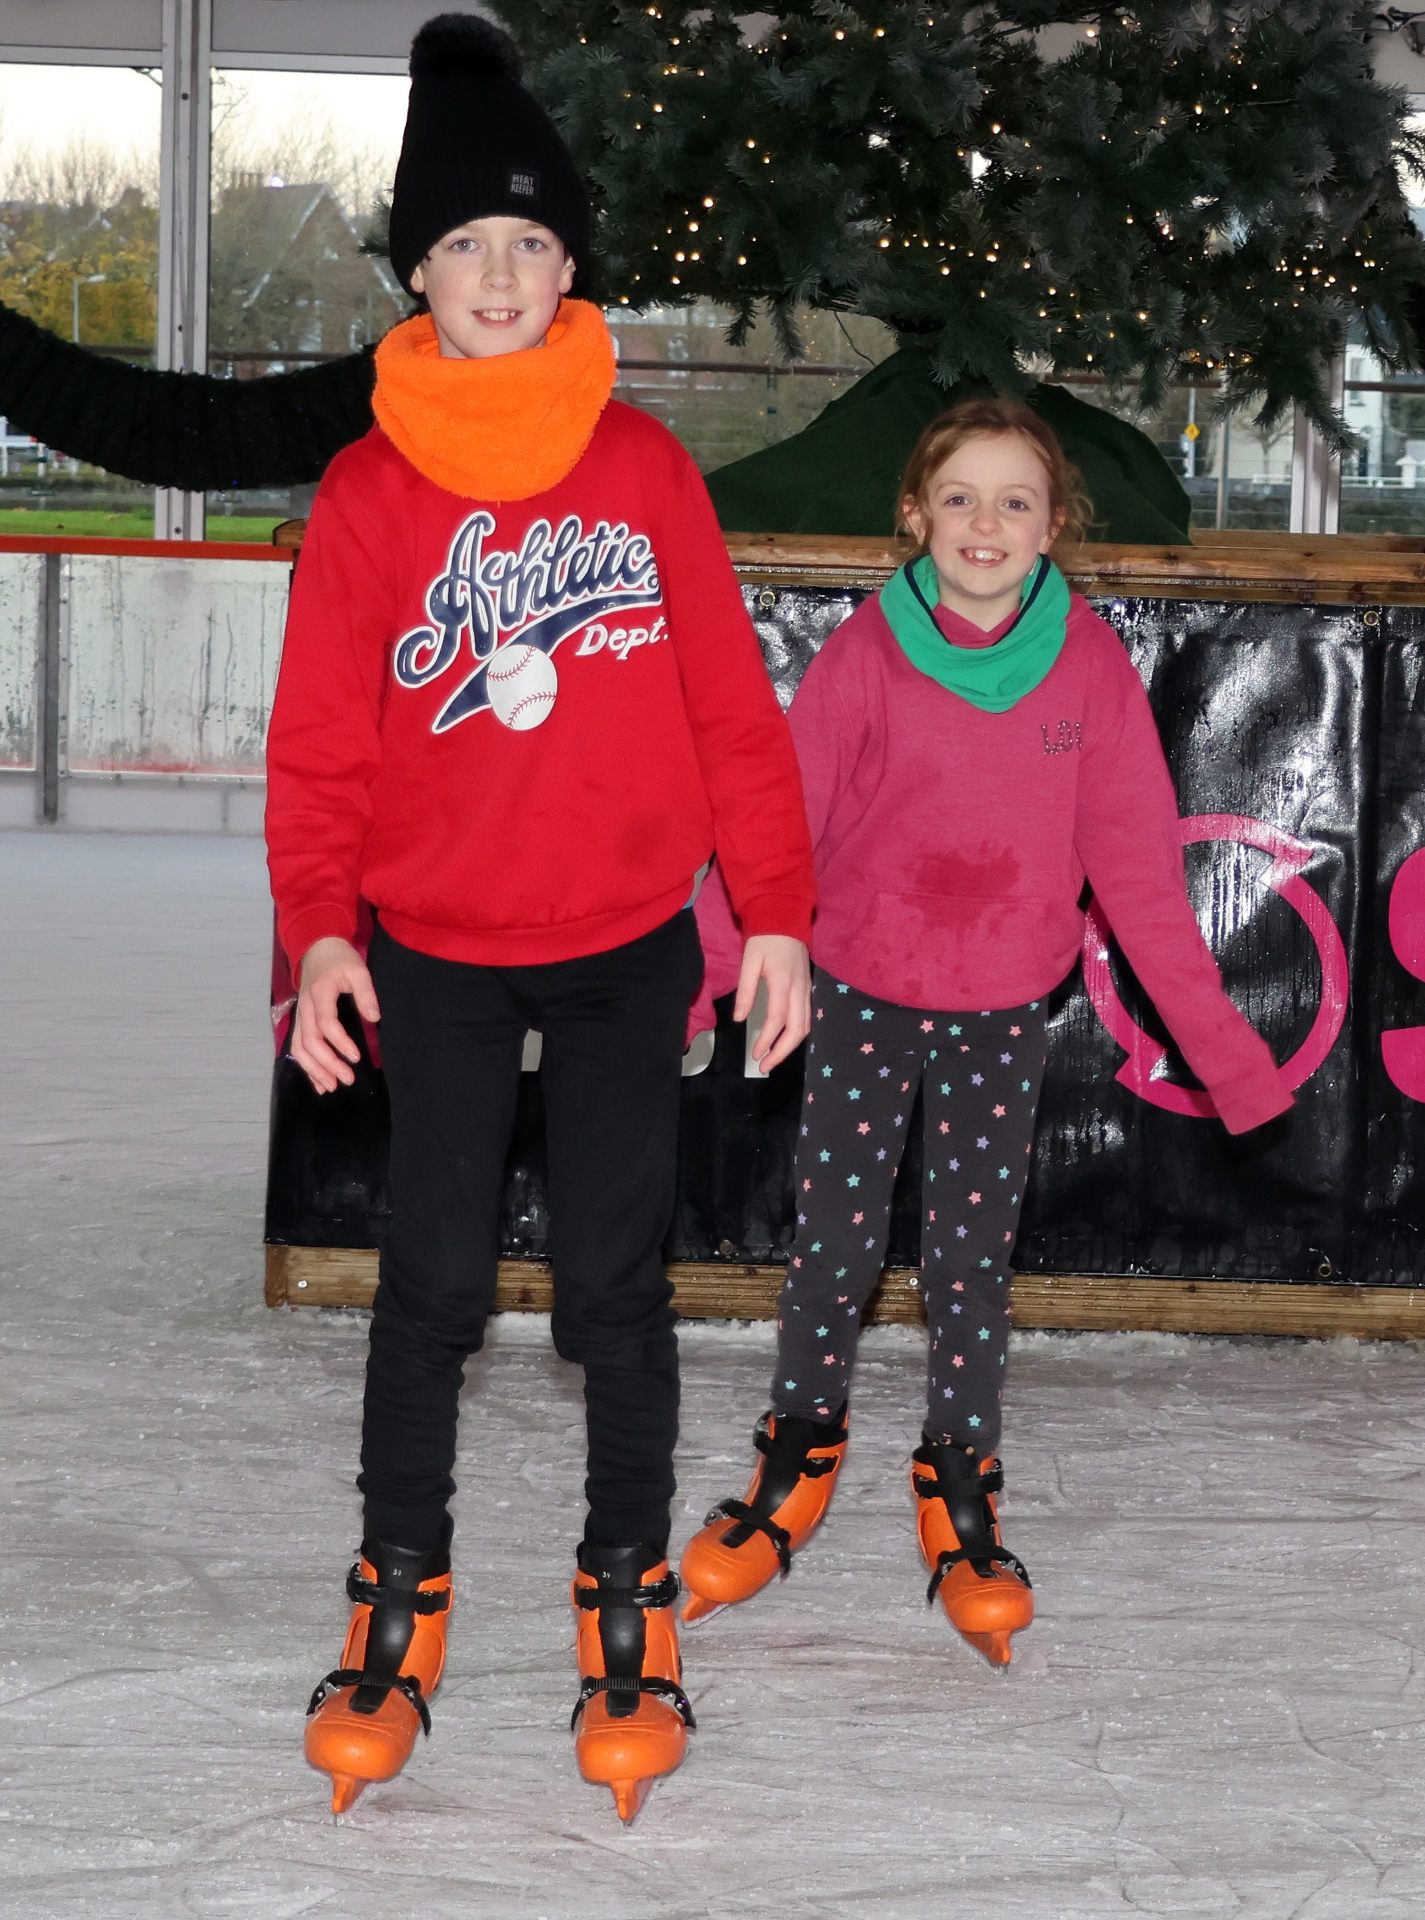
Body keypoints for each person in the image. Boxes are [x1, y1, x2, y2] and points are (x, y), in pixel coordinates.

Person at [266, 13, 814, 1822]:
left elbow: (733, 712)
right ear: (417, 273)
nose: (498, 277)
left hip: (617, 949)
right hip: (426, 945)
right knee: (425, 1287)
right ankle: (397, 1591)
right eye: (461, 248)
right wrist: (317, 932)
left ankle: (625, 1586)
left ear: (568, 263)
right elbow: (321, 745)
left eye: (529, 245)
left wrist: (779, 916)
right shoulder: (366, 491)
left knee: (614, 1292)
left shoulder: (644, 472)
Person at [680, 395, 1292, 1666]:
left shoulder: (1090, 670)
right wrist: (708, 977)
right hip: (855, 989)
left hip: (999, 1010)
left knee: (970, 1258)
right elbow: (775, 825)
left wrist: (1230, 1059)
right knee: (834, 1246)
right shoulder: (866, 655)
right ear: (914, 514)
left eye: (1017, 500)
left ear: (1054, 523)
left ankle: (959, 1477)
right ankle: (797, 1449)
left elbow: (1137, 880)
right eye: (959, 496)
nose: (986, 523)